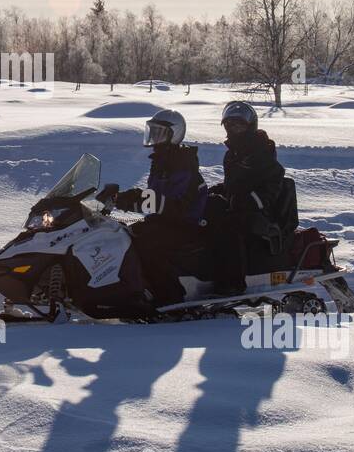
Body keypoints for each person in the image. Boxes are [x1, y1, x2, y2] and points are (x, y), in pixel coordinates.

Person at [99, 109, 206, 306]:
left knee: (149, 243)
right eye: (153, 131)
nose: (155, 137)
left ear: (175, 134)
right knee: (124, 234)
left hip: (185, 225)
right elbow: (155, 196)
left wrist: (135, 200)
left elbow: (174, 204)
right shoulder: (162, 161)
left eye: (160, 132)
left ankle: (169, 296)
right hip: (165, 222)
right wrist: (123, 197)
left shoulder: (182, 164)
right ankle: (131, 287)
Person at [206, 101, 286, 292]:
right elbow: (234, 184)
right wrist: (215, 190)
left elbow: (272, 185)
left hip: (262, 214)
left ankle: (233, 283)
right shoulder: (233, 154)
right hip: (240, 207)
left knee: (229, 226)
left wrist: (249, 200)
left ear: (250, 126)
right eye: (229, 125)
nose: (233, 129)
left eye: (238, 124)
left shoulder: (262, 151)